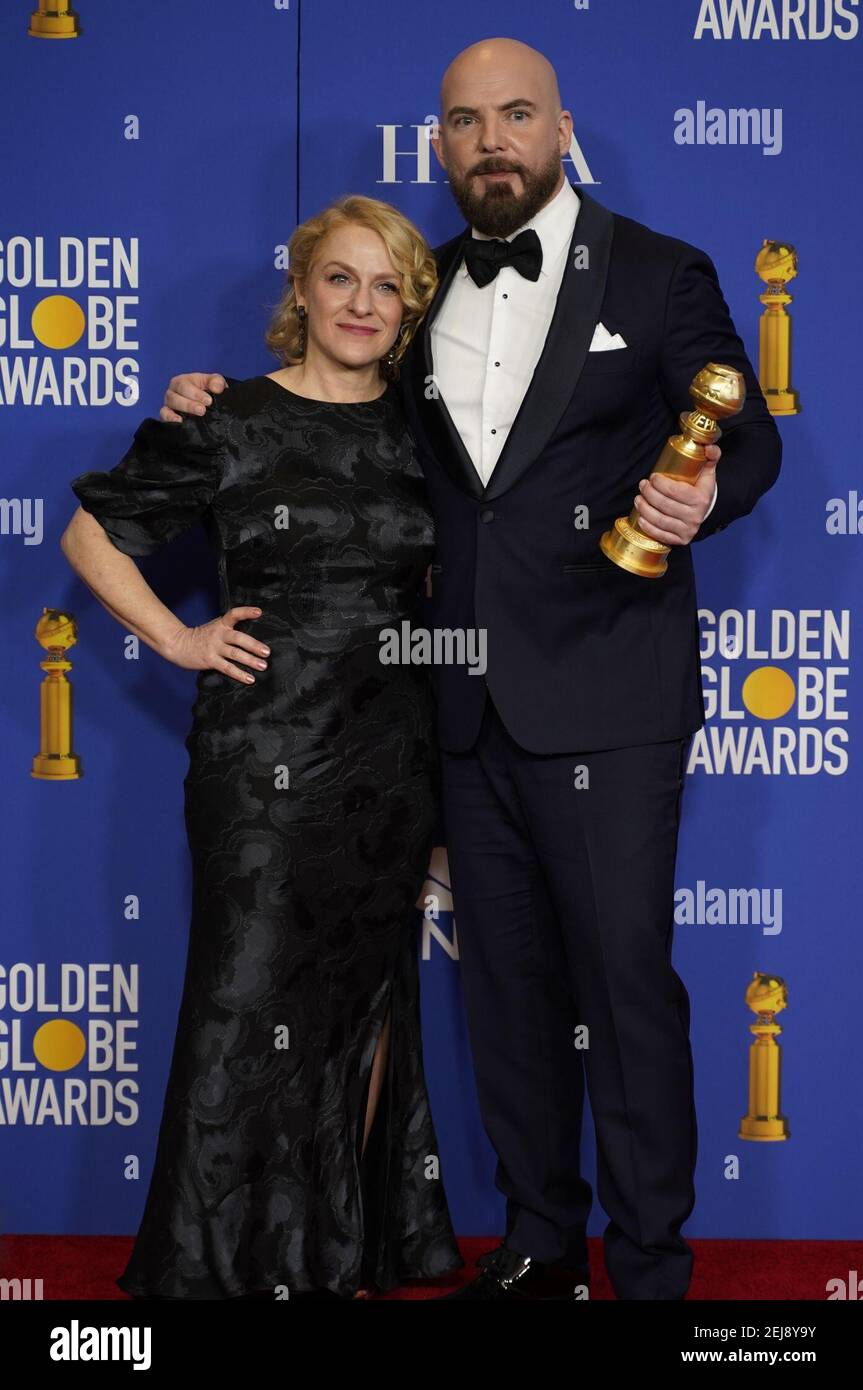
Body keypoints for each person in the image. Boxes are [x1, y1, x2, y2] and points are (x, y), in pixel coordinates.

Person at [161, 38, 782, 1301]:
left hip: (609, 691)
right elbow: (331, 403)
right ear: (437, 144)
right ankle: (541, 1245)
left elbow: (750, 438)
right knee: (501, 990)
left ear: (560, 128)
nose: (488, 140)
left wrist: (700, 490)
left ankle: (652, 1267)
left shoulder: (661, 273)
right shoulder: (416, 287)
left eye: (513, 116)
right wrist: (218, 409)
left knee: (620, 986)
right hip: (453, 700)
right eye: (461, 122)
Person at [60, 194, 462, 1300]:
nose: (361, 303)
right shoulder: (225, 417)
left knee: (365, 1007)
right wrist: (179, 637)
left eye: (386, 286)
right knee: (244, 1008)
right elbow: (90, 533)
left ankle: (331, 1265)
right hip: (262, 768)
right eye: (340, 278)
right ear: (299, 289)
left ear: (409, 306)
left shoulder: (425, 430)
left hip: (389, 764)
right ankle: (208, 1273)